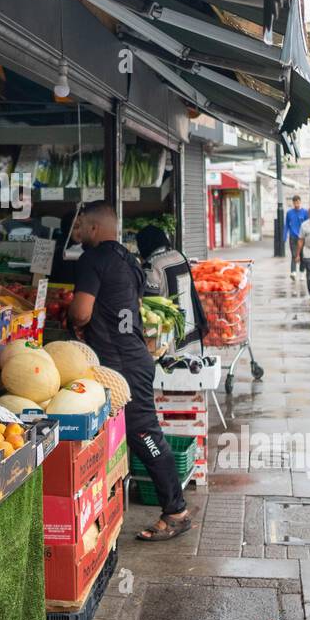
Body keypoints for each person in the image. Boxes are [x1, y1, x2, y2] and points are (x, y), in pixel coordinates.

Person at [68, 202, 192, 540]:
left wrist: (73, 322)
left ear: (94, 228)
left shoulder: (92, 261)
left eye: (80, 226)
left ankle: (176, 510)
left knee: (144, 434)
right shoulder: (129, 259)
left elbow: (81, 313)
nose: (77, 233)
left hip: (119, 365)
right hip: (133, 358)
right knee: (132, 434)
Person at [136, 224, 207, 353]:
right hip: (192, 335)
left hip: (170, 342)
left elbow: (149, 310)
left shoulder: (152, 266)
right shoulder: (179, 255)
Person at [284, 195, 308, 281]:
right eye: (295, 202)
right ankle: (293, 272)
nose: (296, 204)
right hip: (293, 236)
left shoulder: (305, 212)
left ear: (300, 202)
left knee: (302, 255)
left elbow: (308, 224)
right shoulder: (289, 213)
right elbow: (286, 225)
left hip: (302, 237)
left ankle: (302, 273)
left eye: (298, 202)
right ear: (293, 203)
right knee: (294, 254)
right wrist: (284, 236)